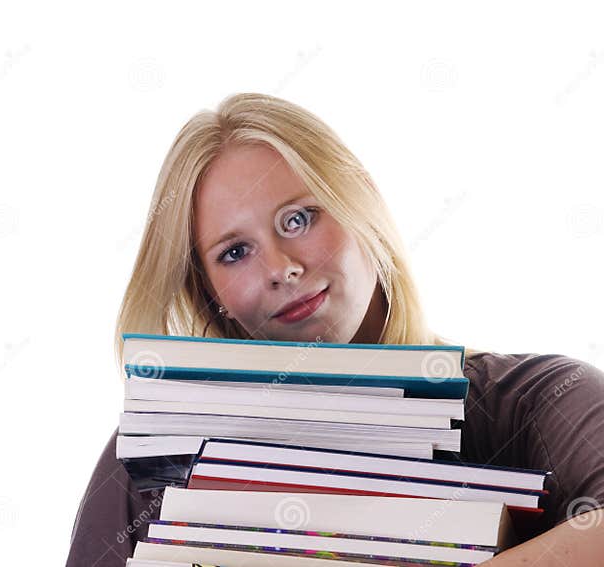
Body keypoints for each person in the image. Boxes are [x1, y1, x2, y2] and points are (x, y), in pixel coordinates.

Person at [65, 93, 604, 567]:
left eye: (298, 219)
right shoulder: (156, 450)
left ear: (360, 201)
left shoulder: (536, 401)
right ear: (211, 293)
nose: (281, 268)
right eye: (235, 252)